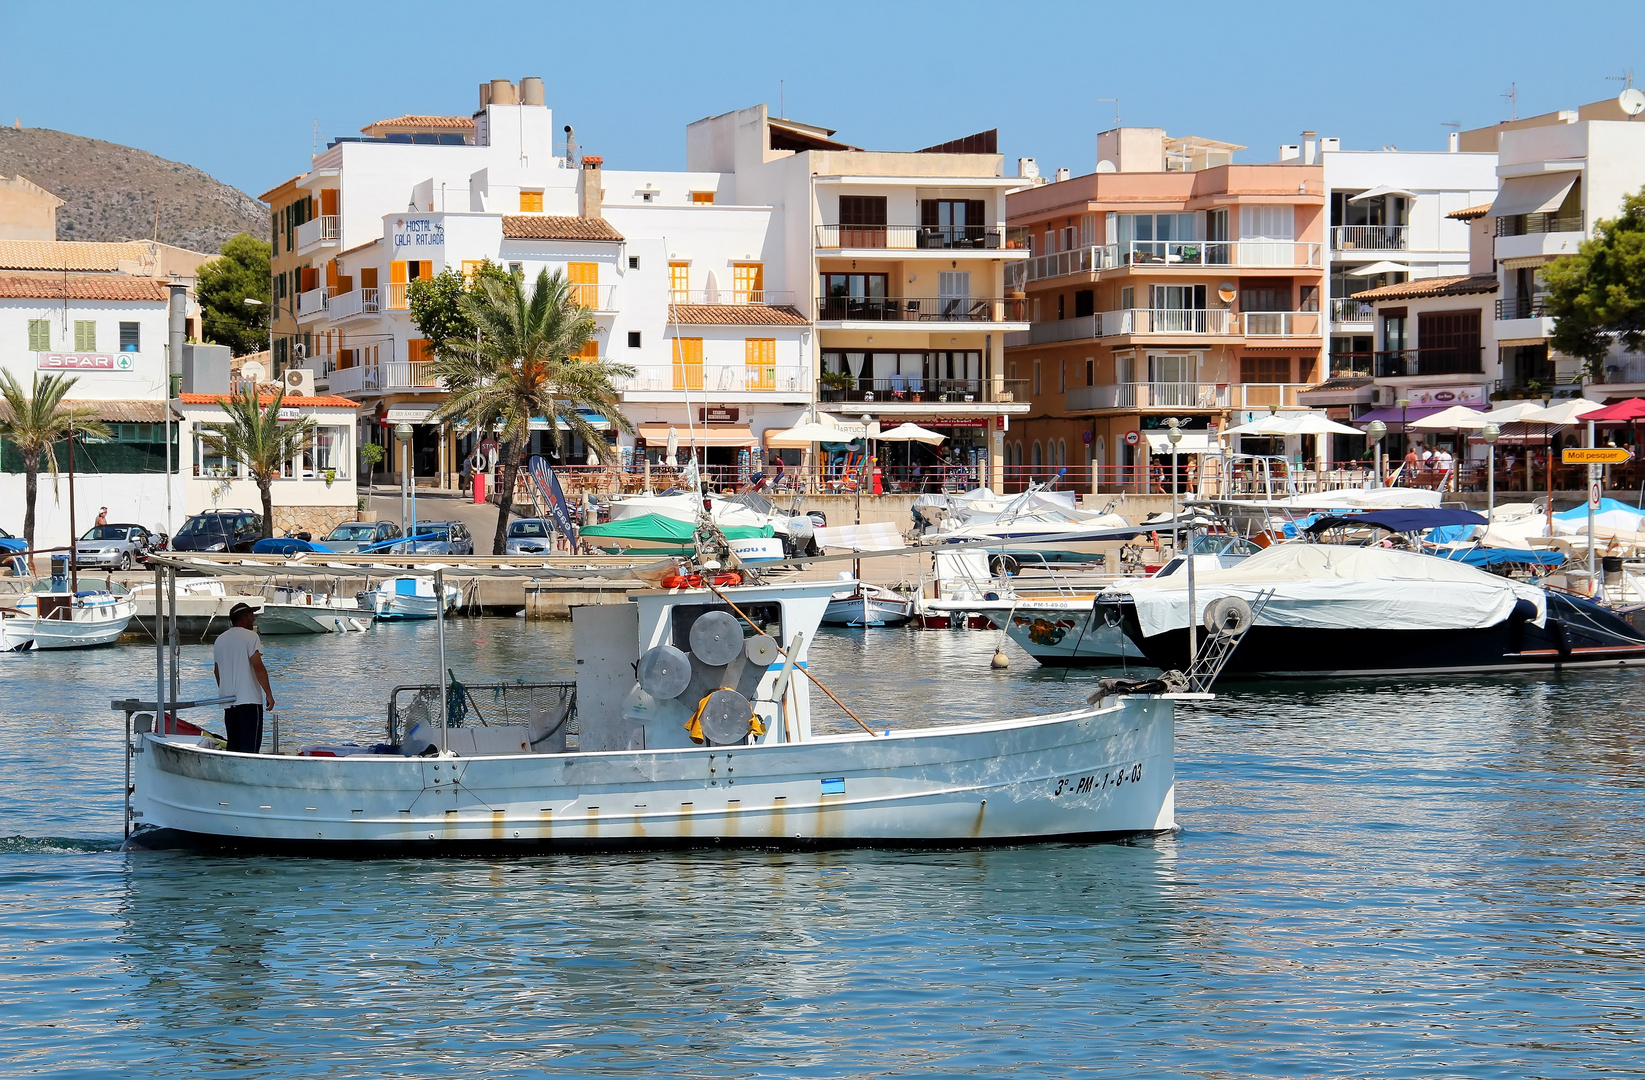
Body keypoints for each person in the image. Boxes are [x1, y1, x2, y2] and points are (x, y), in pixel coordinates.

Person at [213, 602, 274, 753]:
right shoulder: (251, 637)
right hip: (249, 701)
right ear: (243, 618)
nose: (254, 619)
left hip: (228, 702)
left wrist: (225, 691)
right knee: (250, 748)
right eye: (251, 615)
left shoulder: (219, 640)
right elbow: (258, 666)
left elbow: (217, 671)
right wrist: (269, 693)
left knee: (234, 746)